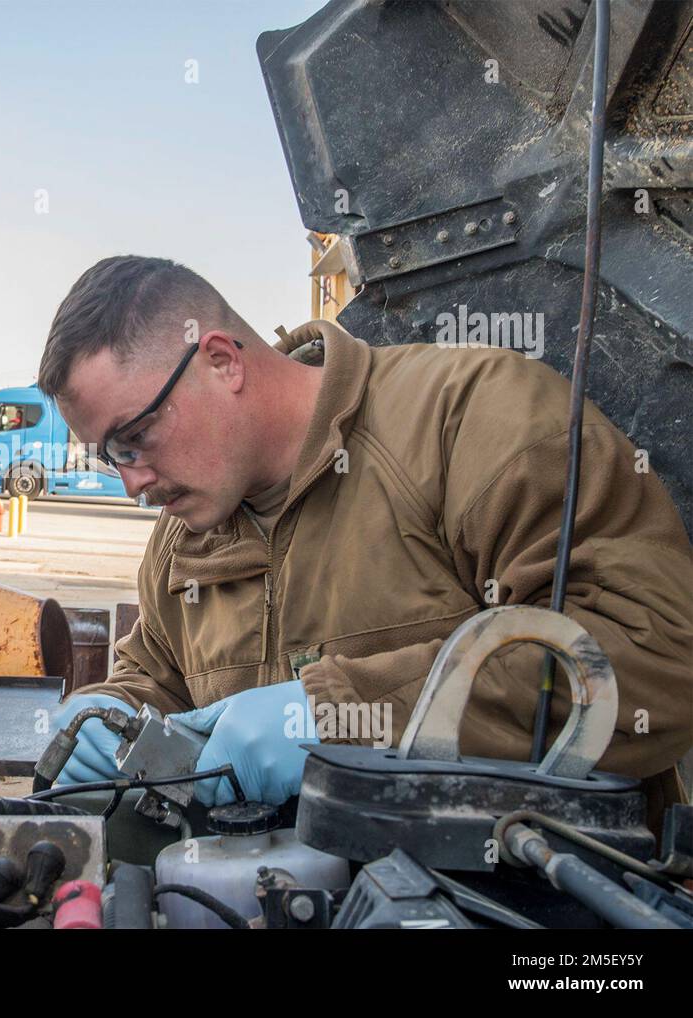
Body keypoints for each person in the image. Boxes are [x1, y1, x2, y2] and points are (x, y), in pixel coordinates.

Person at [37, 255, 693, 823]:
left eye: (134, 439)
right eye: (107, 457)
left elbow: (656, 661)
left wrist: (344, 716)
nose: (131, 484)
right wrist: (102, 715)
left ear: (219, 362)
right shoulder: (183, 539)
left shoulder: (474, 420)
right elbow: (155, 684)